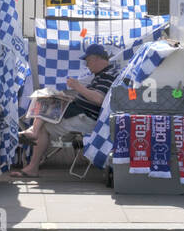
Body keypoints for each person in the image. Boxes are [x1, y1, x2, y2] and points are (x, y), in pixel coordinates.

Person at [12, 44, 119, 179]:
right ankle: (33, 139)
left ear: (96, 58)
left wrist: (78, 87)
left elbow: (99, 99)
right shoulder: (102, 75)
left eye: (88, 61)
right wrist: (71, 98)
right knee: (46, 99)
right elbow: (91, 98)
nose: (87, 65)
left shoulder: (109, 75)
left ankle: (33, 138)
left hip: (86, 118)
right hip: (80, 113)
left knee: (45, 107)